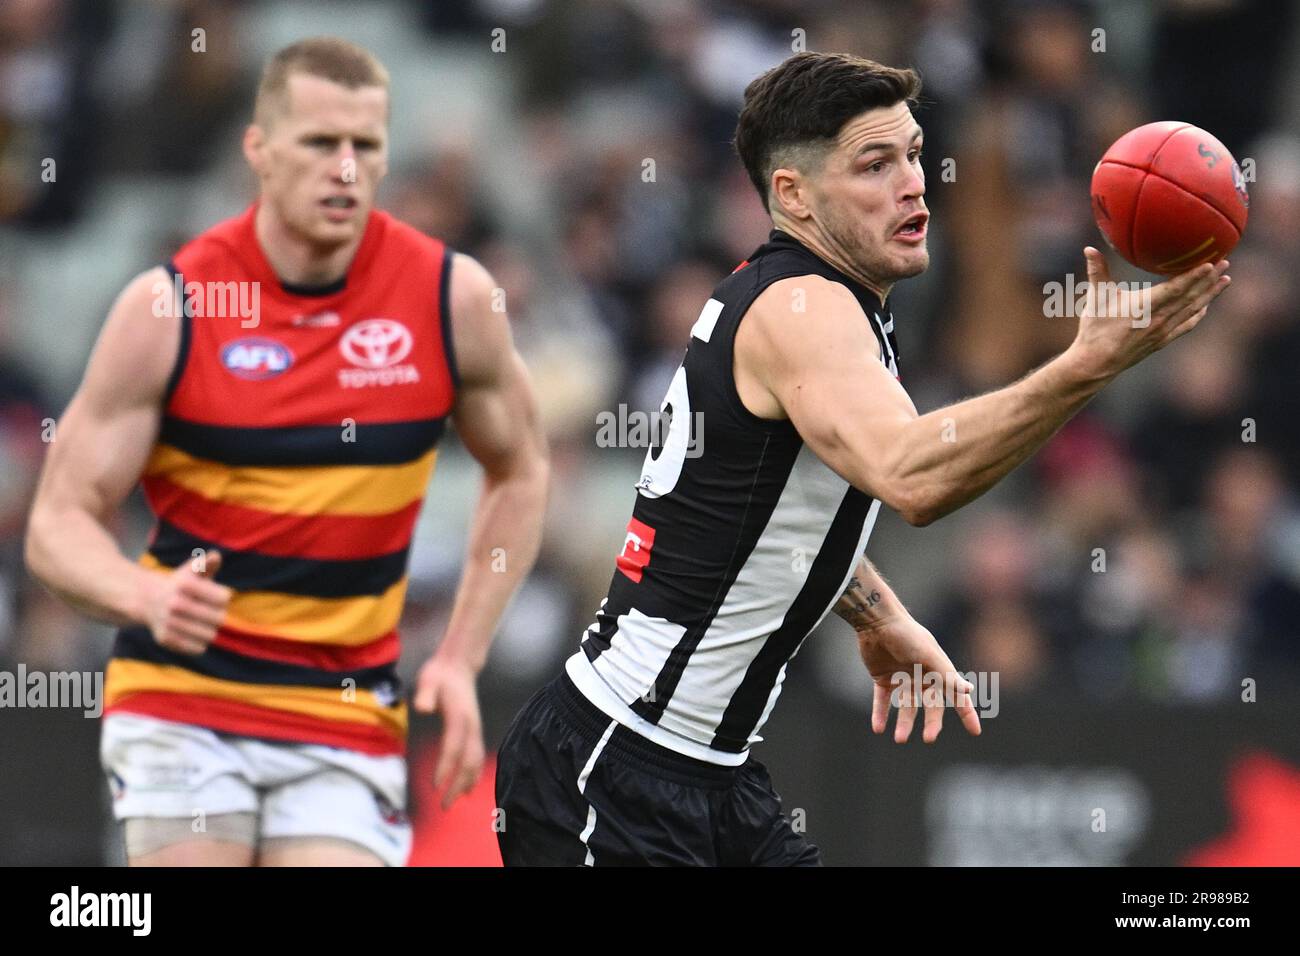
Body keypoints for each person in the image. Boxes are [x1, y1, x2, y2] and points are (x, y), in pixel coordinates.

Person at [494, 51, 1230, 866]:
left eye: (914, 155)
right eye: (874, 165)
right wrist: (1086, 365)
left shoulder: (812, 300)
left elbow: (757, 511)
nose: (913, 183)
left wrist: (877, 614)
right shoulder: (804, 308)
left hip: (705, 778)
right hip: (613, 768)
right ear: (793, 195)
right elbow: (913, 475)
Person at [24, 37, 549, 867]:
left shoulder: (451, 301)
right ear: (259, 150)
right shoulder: (172, 308)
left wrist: (460, 654)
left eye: (366, 146)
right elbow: (56, 525)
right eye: (318, 143)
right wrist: (141, 594)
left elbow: (521, 469)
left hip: (344, 713)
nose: (345, 167)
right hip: (183, 703)